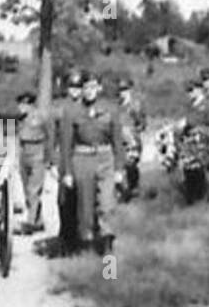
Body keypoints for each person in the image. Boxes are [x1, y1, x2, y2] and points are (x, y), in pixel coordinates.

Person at [58, 71, 124, 255]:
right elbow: (66, 145)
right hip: (82, 159)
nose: (89, 91)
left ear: (99, 88)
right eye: (86, 87)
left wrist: (119, 168)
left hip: (105, 159)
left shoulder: (110, 109)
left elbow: (117, 141)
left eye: (93, 87)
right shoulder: (72, 112)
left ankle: (108, 264)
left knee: (107, 207)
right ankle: (86, 249)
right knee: (85, 212)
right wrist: (68, 173)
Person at [54, 70, 85, 252]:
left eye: (78, 87)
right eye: (72, 87)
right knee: (65, 200)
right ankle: (67, 238)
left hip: (89, 158)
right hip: (67, 157)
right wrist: (52, 159)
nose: (75, 91)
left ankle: (109, 272)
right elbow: (53, 133)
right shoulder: (61, 109)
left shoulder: (91, 107)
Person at [14, 89, 49, 233]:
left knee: (33, 189)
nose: (21, 108)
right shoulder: (17, 118)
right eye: (20, 105)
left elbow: (49, 135)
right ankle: (38, 220)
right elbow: (14, 137)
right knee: (26, 189)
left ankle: (30, 221)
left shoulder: (39, 117)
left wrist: (49, 158)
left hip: (37, 153)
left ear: (30, 105)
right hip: (24, 153)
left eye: (24, 105)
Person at [117, 76, 146, 200]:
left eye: (125, 89)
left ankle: (133, 188)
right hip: (120, 140)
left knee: (131, 165)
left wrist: (133, 132)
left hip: (132, 140)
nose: (122, 92)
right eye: (121, 90)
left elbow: (142, 124)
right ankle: (124, 191)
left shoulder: (135, 106)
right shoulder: (118, 106)